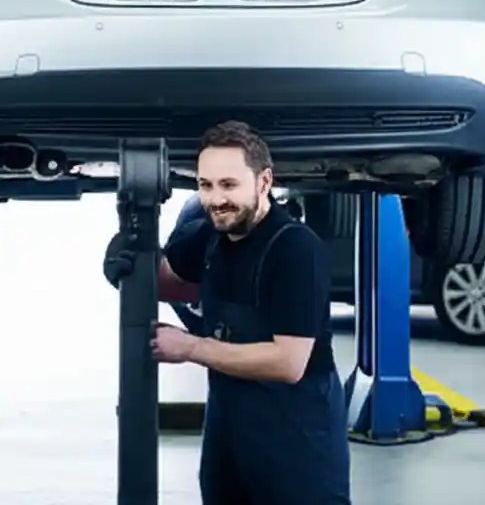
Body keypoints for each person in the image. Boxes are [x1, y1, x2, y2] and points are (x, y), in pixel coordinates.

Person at [115, 120, 351, 504]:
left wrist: (190, 347)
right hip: (231, 433)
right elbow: (169, 280)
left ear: (263, 182)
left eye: (228, 185)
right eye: (205, 185)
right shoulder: (211, 235)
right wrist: (129, 263)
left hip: (296, 444)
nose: (215, 199)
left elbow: (288, 362)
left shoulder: (294, 249)